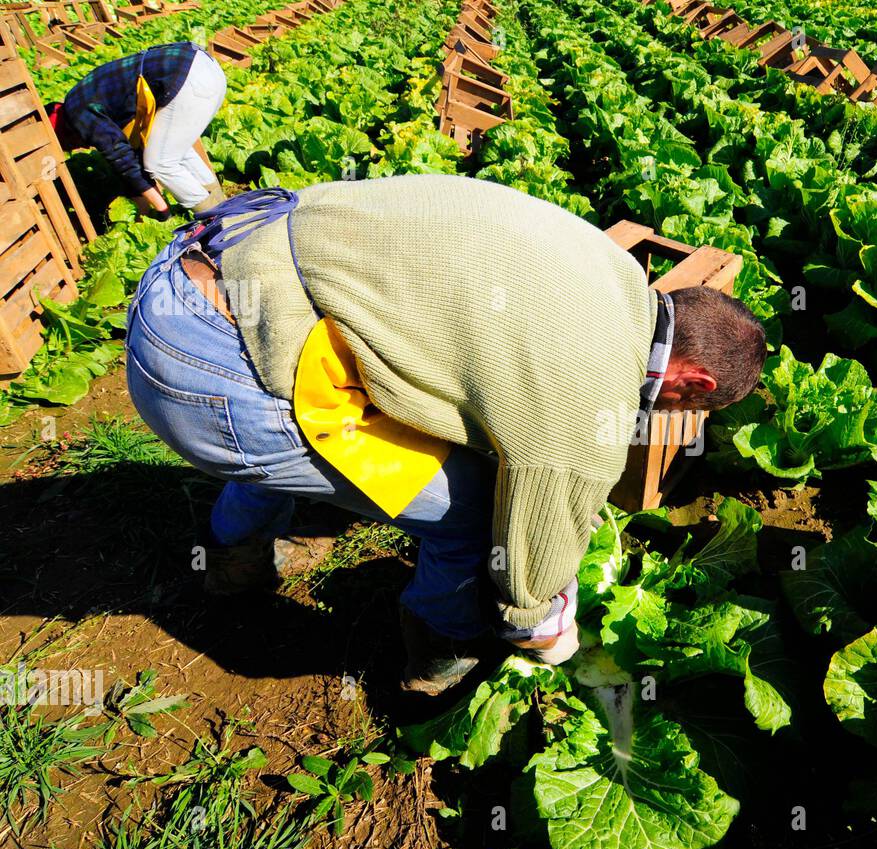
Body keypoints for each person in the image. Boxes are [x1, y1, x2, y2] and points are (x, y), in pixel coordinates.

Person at [125, 174, 767, 696]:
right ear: (698, 383)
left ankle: (232, 561)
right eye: (693, 410)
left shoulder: (612, 270)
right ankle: (436, 665)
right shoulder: (590, 396)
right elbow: (528, 573)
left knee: (318, 417)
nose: (678, 420)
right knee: (473, 519)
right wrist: (549, 634)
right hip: (207, 367)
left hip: (208, 262)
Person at [48, 42, 228, 216]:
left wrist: (162, 211)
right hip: (206, 67)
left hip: (187, 77)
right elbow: (133, 154)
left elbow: (120, 154)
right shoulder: (83, 96)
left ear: (64, 134)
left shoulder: (77, 112)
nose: (84, 147)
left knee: (160, 163)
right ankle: (222, 203)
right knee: (171, 149)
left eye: (71, 145)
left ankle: (213, 216)